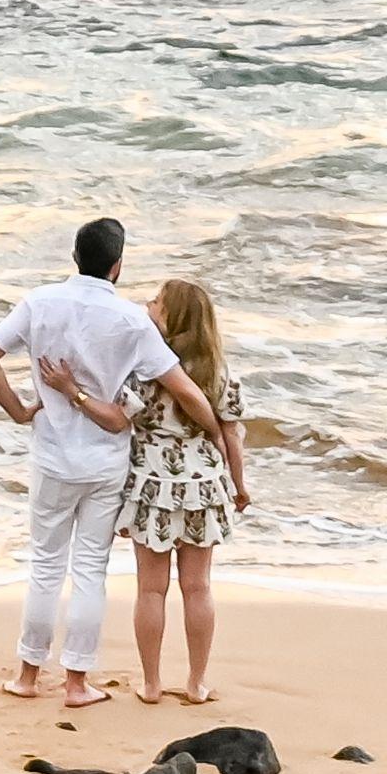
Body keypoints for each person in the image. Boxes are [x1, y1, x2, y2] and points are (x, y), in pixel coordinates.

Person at [0, 216, 235, 708]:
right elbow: (185, 389)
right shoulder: (133, 321)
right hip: (104, 463)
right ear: (117, 266)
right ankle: (76, 684)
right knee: (90, 568)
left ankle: (28, 676)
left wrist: (17, 411)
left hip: (52, 454)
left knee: (45, 565)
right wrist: (216, 434)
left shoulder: (39, 302)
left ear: (75, 256)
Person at [122, 278, 249, 702]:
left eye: (156, 301)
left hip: (153, 482)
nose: (148, 304)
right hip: (205, 483)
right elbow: (231, 434)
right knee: (198, 587)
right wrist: (239, 485)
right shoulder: (218, 371)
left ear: (170, 316)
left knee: (150, 589)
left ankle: (152, 683)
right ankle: (196, 682)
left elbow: (122, 420)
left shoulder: (143, 369)